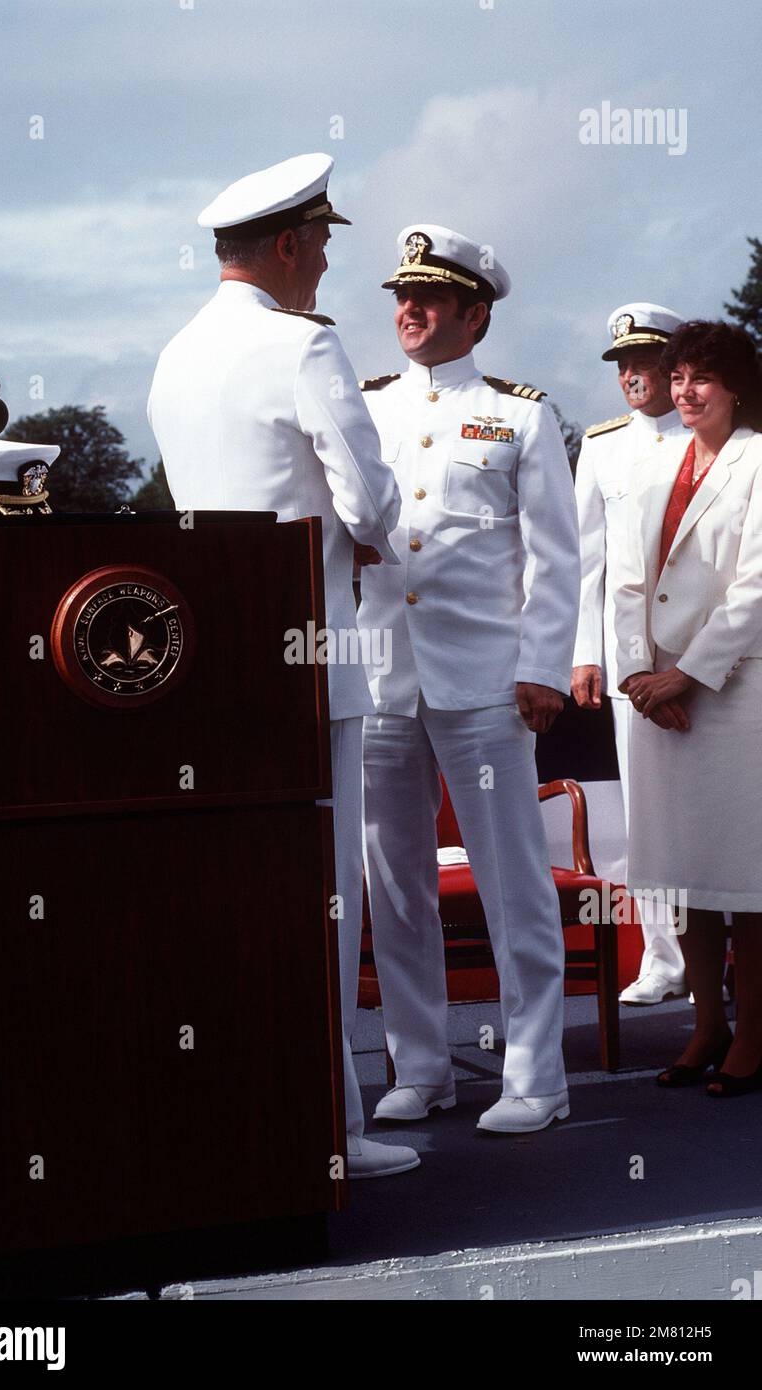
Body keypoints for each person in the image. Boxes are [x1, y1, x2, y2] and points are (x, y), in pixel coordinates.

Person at [147, 154, 418, 1176]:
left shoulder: (173, 355)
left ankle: (256, 1111)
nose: (322, 269)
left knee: (239, 889)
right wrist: (378, 537)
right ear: (292, 247)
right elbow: (367, 496)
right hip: (314, 653)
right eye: (322, 247)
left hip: (213, 662)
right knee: (319, 887)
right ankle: (327, 1126)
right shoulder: (302, 346)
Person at [357, 224, 580, 1133]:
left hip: (486, 679)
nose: (408, 311)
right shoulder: (363, 406)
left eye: (430, 299)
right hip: (379, 676)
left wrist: (542, 668)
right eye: (402, 298)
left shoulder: (520, 415)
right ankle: (421, 1064)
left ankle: (536, 1076)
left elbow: (558, 560)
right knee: (394, 884)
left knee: (511, 882)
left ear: (474, 314)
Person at [614, 319, 762, 1097]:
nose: (685, 391)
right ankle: (708, 1026)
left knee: (746, 877)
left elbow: (756, 592)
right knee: (689, 874)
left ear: (738, 386)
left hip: (736, 693)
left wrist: (690, 676)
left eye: (702, 377)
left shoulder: (760, 460)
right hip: (660, 698)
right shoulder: (658, 460)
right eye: (678, 377)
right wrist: (641, 673)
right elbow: (626, 578)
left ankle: (756, 1036)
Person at [572, 303, 689, 1005]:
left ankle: (722, 958)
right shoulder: (603, 445)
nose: (631, 376)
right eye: (621, 364)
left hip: (709, 660)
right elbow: (588, 561)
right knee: (644, 811)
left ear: (673, 366)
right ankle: (664, 960)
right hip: (631, 660)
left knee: (717, 808)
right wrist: (586, 654)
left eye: (643, 361)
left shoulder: (714, 438)